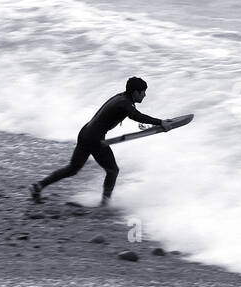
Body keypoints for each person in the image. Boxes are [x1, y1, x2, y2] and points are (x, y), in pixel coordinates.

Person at [30, 77, 169, 206]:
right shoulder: (125, 103)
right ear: (135, 92)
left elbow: (133, 115)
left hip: (85, 133)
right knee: (113, 170)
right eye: (143, 92)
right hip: (94, 139)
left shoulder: (121, 98)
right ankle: (104, 204)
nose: (145, 95)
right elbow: (136, 116)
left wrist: (152, 124)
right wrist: (160, 122)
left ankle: (39, 186)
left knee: (73, 168)